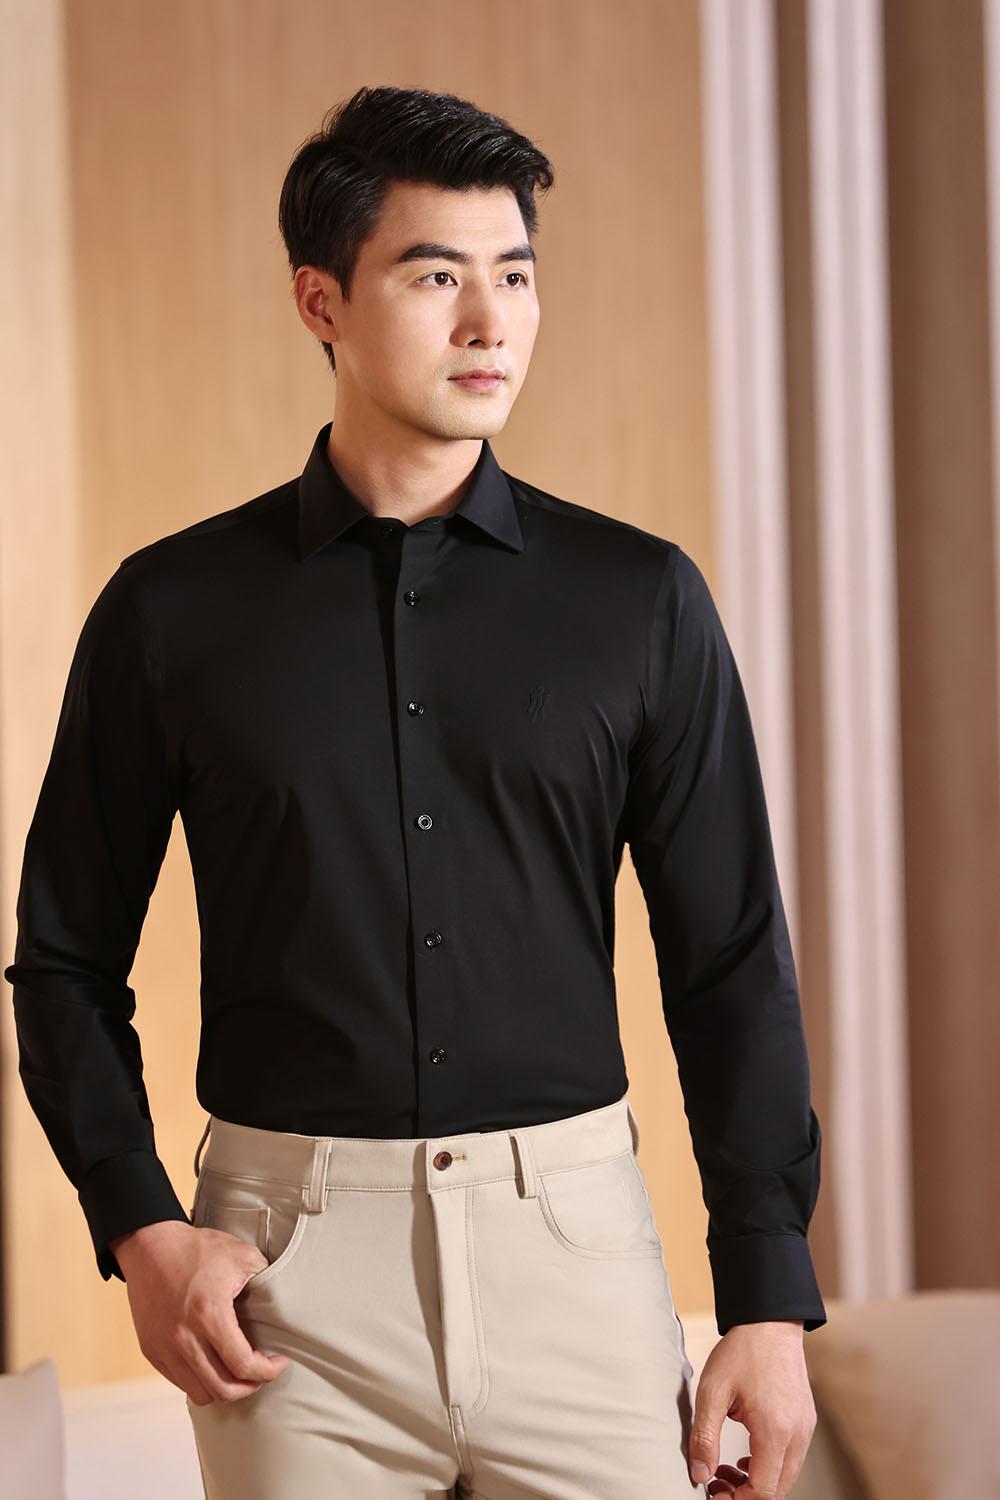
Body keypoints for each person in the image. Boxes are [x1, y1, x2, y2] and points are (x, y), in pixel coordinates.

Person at [4, 83, 825, 1500]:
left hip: (573, 1255)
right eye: (437, 276)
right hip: (283, 1285)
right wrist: (142, 1229)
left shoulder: (639, 601)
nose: (490, 321)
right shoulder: (172, 609)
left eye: (516, 274)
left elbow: (731, 960)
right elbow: (64, 959)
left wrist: (767, 1293)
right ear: (320, 301)